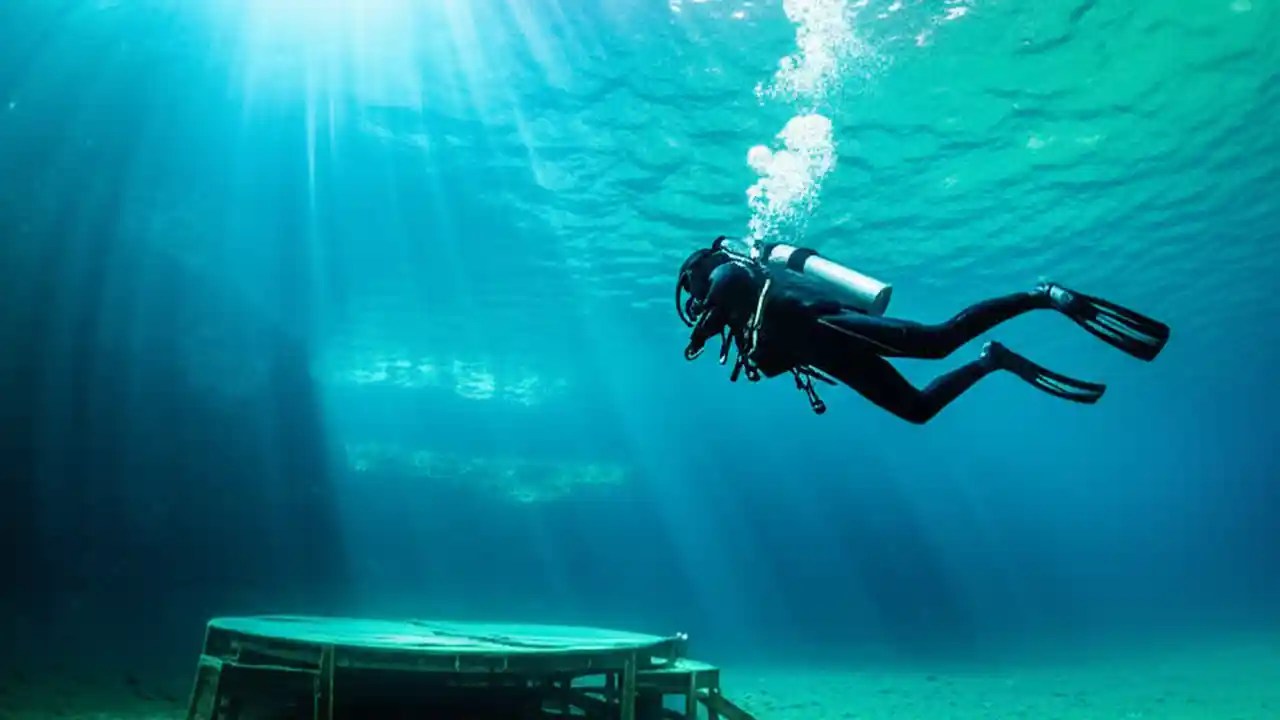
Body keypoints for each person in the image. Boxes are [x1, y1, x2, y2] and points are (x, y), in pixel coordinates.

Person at [675, 236, 1170, 423]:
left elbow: (725, 282)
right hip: (834, 355)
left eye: (694, 291)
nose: (696, 301)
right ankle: (992, 359)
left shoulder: (733, 274)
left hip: (829, 325)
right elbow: (774, 361)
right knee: (916, 410)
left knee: (937, 341)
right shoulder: (742, 319)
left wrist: (703, 325)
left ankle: (1040, 296)